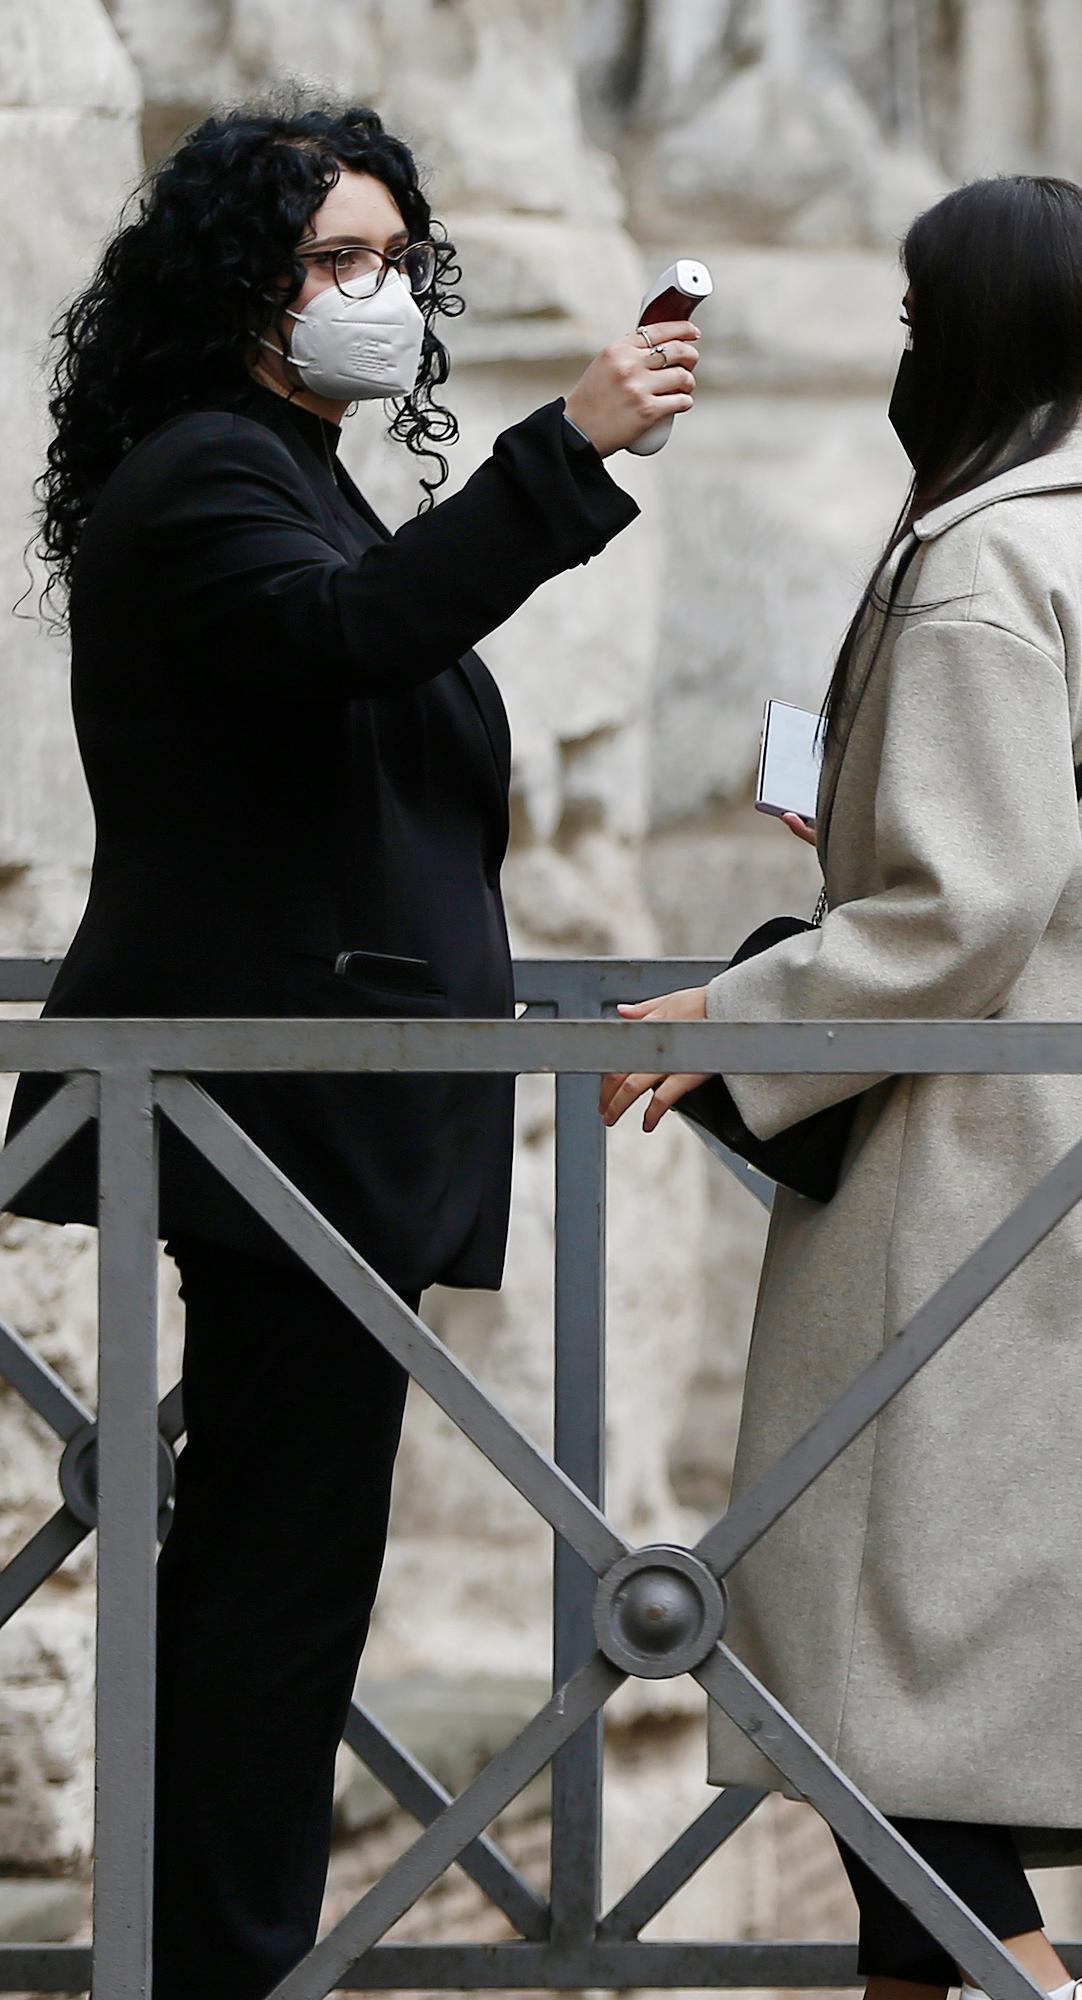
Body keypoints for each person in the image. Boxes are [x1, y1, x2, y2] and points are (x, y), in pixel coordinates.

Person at [598, 175, 1082, 2000]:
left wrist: (735, 1018)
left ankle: (1034, 1988)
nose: (903, 353)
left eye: (920, 322)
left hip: (990, 1189)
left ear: (979, 332)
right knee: (903, 1664)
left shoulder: (990, 554)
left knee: (850, 1652)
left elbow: (961, 907)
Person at [0, 101, 686, 1995]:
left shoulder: (291, 467)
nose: (369, 293)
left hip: (326, 1117)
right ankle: (215, 1964)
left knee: (275, 1587)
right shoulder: (210, 475)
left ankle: (209, 1954)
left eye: (389, 261)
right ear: (235, 281)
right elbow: (357, 640)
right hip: (276, 1120)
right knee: (267, 1598)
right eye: (329, 263)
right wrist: (570, 450)